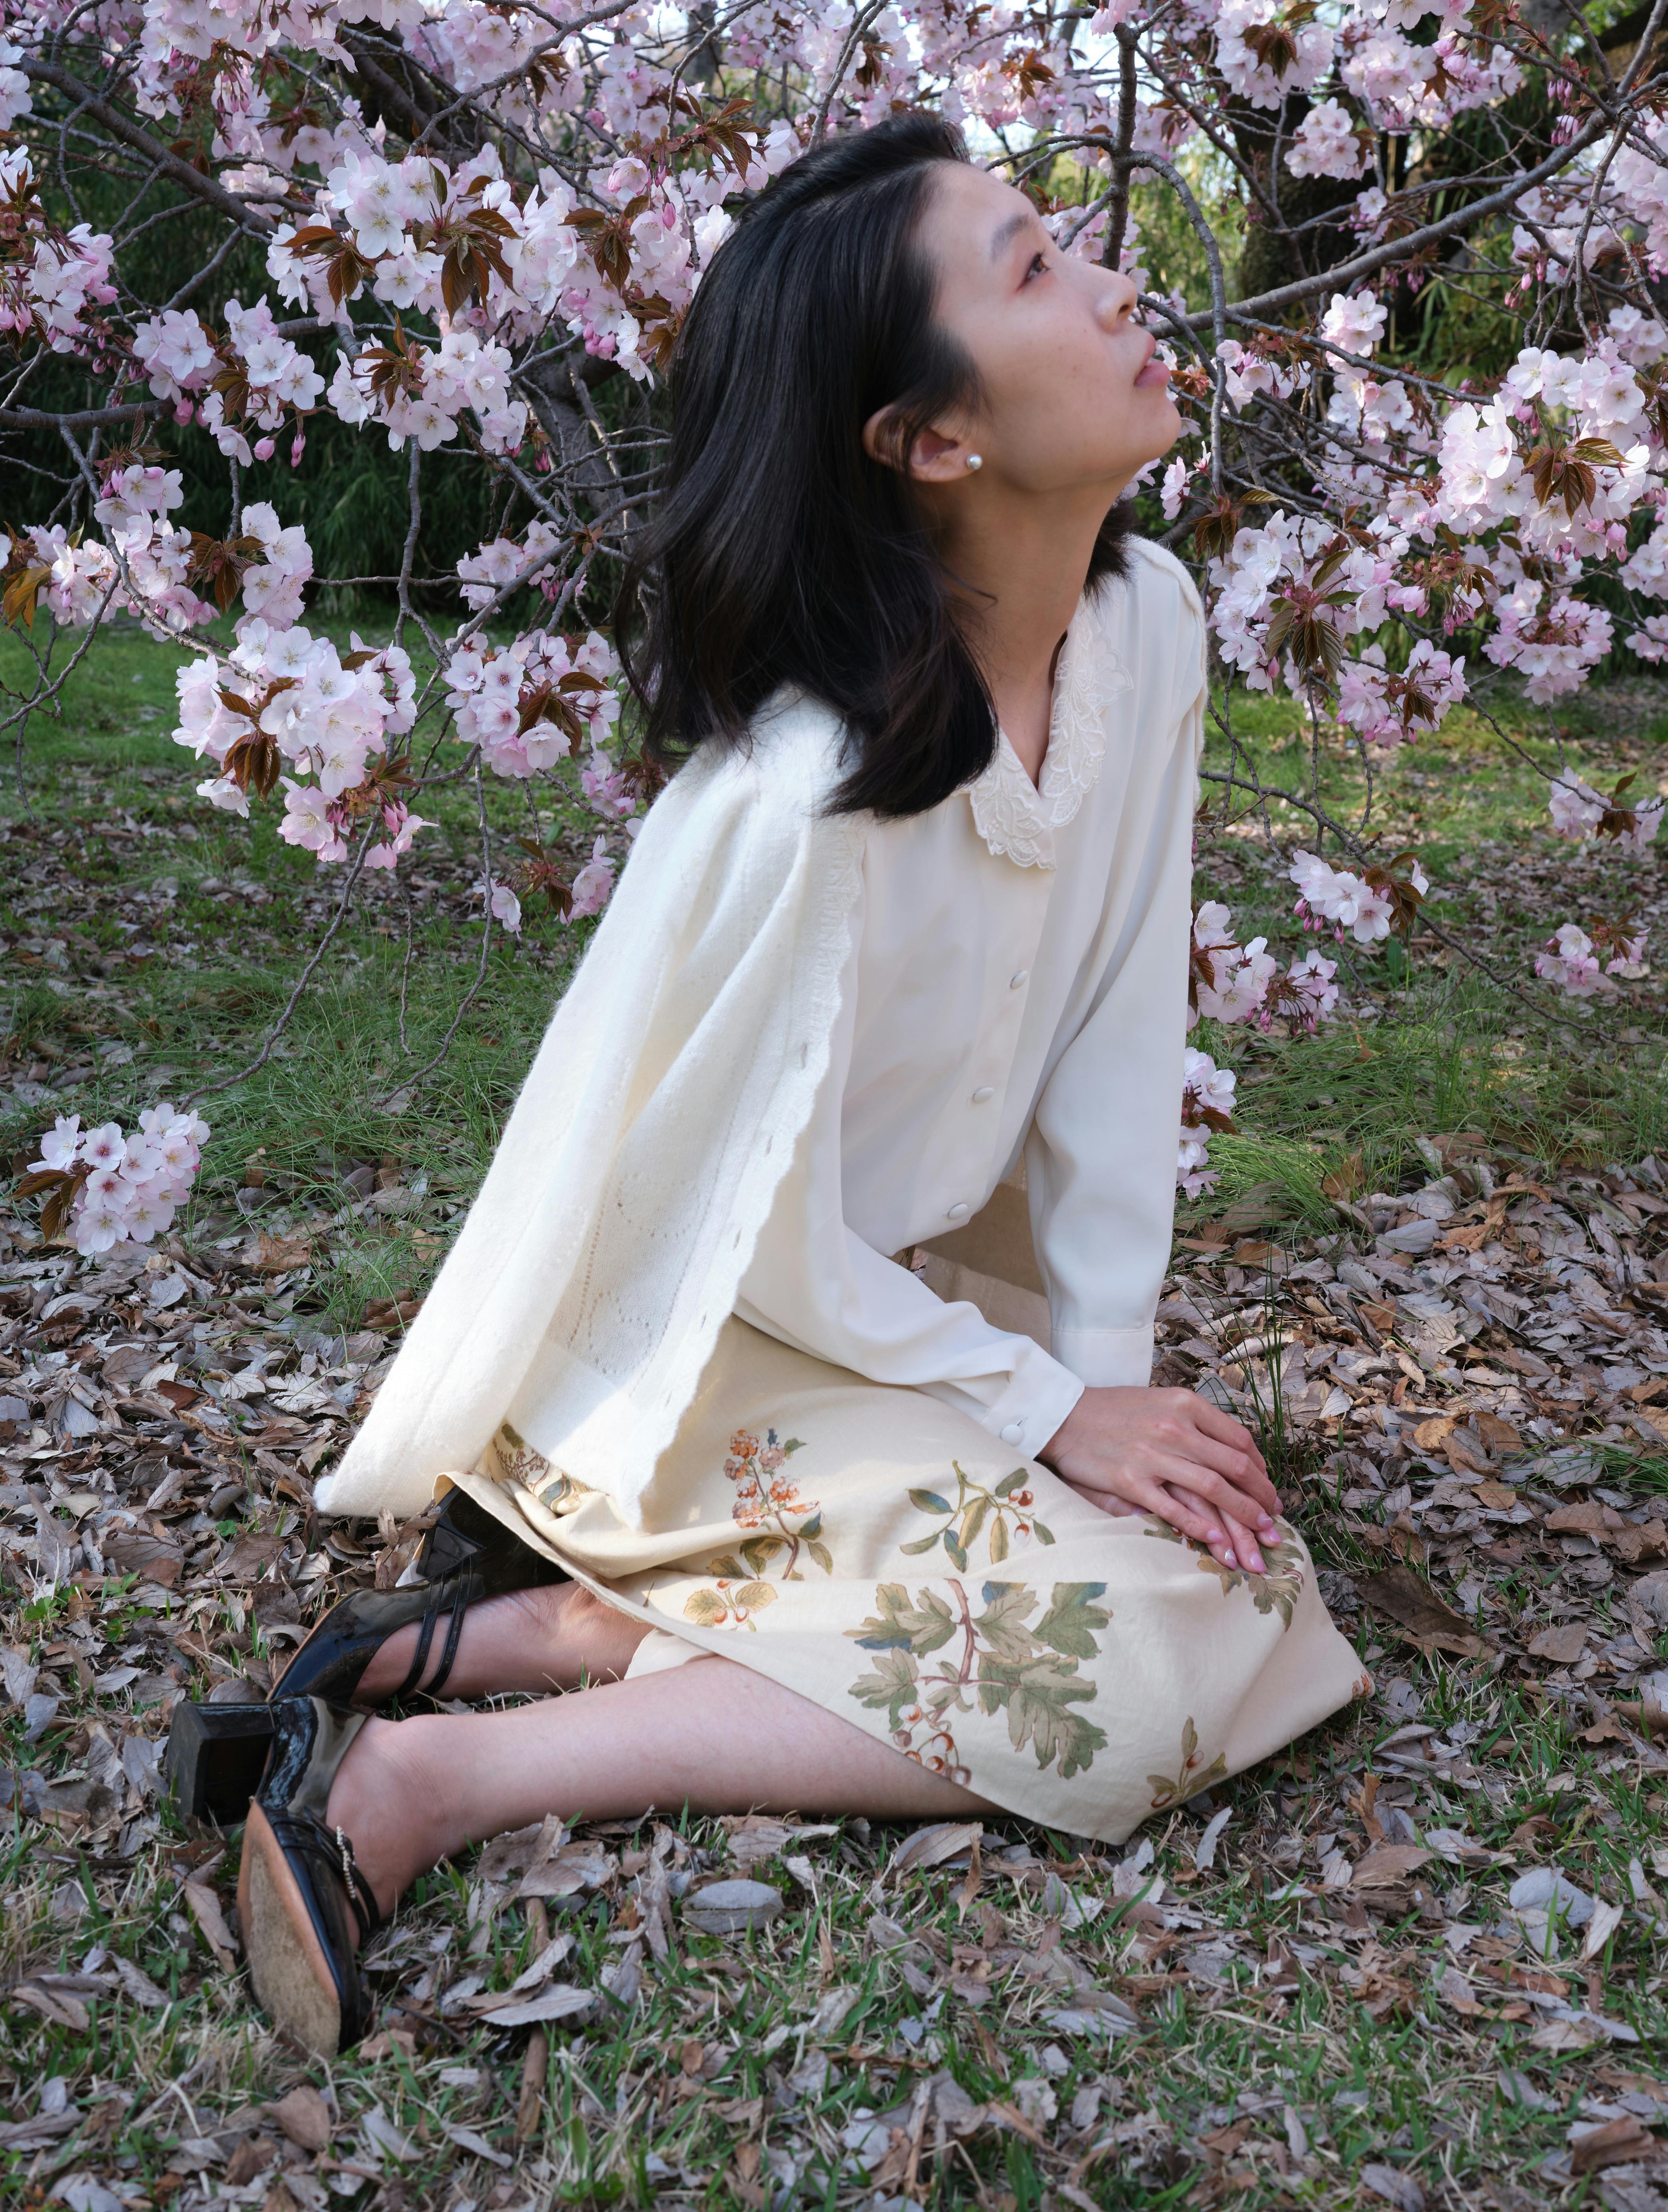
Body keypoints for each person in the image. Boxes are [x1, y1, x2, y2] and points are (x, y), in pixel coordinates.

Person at [173, 112, 1367, 2055]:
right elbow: (752, 1237)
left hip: (882, 1316)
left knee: (1225, 1575)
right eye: (1032, 270)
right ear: (929, 438)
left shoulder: (1148, 634)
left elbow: (1119, 1040)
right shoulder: (812, 798)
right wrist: (1048, 1410)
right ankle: (428, 1781)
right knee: (1152, 1675)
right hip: (691, 1349)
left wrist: (1102, 1391)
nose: (1116, 283)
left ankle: (506, 1639)